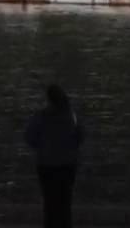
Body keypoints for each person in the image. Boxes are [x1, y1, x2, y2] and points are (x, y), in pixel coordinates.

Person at [25, 84, 83, 228]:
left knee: (49, 202)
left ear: (49, 99)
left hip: (46, 165)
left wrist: (41, 148)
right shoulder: (71, 116)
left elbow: (29, 137)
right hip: (67, 165)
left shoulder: (41, 116)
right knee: (65, 202)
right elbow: (80, 136)